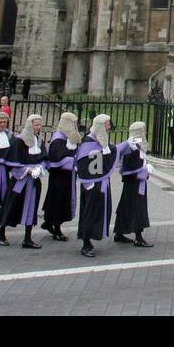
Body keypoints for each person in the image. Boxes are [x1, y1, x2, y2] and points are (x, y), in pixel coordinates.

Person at [0, 114, 47, 249]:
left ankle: (27, 238)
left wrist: (40, 167)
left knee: (32, 208)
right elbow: (12, 162)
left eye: (39, 124)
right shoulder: (19, 141)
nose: (39, 127)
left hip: (34, 181)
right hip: (20, 181)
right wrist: (27, 170)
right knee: (11, 206)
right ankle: (1, 234)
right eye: (36, 125)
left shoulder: (39, 139)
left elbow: (43, 157)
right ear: (30, 125)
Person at [75, 114, 118, 258]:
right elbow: (83, 165)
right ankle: (85, 243)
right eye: (106, 125)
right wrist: (89, 184)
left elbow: (110, 153)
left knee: (97, 212)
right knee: (89, 213)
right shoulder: (88, 143)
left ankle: (91, 238)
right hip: (92, 185)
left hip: (101, 183)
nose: (109, 127)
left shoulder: (101, 141)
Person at [113, 121, 154, 248]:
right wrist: (144, 170)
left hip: (133, 182)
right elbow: (129, 169)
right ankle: (138, 237)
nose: (145, 132)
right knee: (138, 209)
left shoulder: (136, 147)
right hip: (135, 183)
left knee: (126, 207)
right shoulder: (132, 148)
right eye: (143, 130)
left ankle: (119, 232)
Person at [41, 111, 79, 242]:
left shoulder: (67, 138)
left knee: (60, 201)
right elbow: (55, 159)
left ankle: (49, 222)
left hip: (67, 177)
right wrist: (72, 160)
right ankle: (56, 228)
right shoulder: (58, 140)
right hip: (59, 177)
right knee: (57, 201)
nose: (75, 126)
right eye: (73, 123)